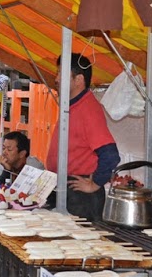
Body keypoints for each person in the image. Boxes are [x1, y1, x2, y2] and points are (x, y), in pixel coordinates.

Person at [44, 56, 120, 223]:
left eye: (61, 74)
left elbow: (110, 155)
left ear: (78, 80)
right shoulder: (72, 106)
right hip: (67, 188)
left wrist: (94, 184)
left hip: (81, 196)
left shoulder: (88, 109)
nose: (56, 79)